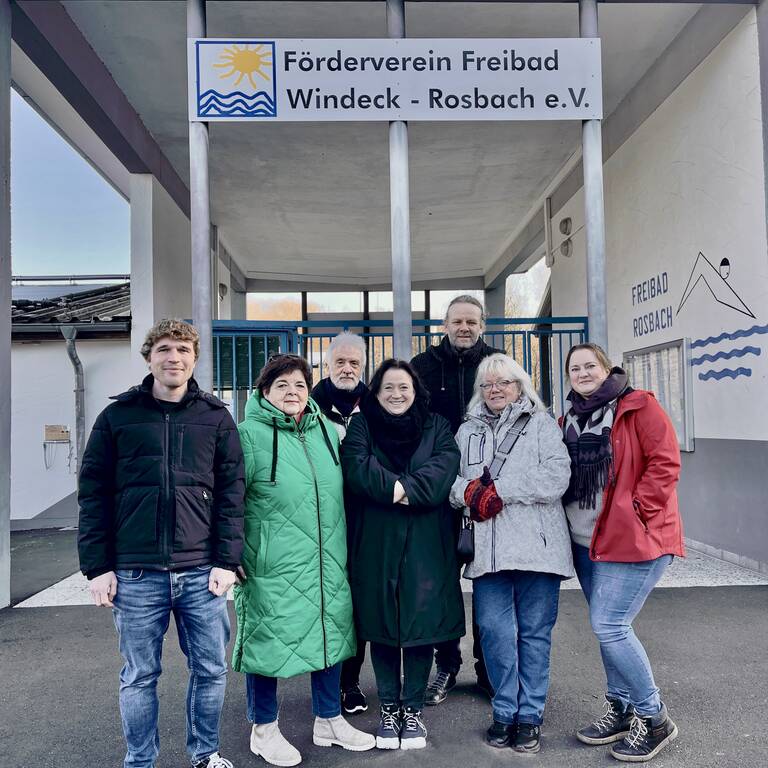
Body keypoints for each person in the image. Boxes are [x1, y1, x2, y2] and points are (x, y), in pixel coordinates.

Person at [78, 319, 245, 768]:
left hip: (201, 572)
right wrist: (97, 567)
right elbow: (93, 494)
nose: (175, 357)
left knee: (210, 671)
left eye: (184, 350)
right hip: (135, 574)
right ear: (149, 357)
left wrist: (227, 561)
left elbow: (233, 494)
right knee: (139, 676)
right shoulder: (117, 417)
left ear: (194, 359)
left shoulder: (215, 417)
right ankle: (140, 761)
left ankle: (205, 754)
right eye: (165, 349)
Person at [233, 353, 375, 767]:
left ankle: (328, 719)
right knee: (266, 642)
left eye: (299, 385)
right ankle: (264, 729)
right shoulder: (246, 435)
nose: (292, 393)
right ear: (265, 392)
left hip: (327, 555)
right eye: (282, 386)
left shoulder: (326, 433)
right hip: (269, 561)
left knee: (330, 634)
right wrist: (231, 550)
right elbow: (227, 499)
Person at [562, 343, 683, 763]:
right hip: (587, 542)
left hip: (633, 539)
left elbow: (665, 463)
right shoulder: (570, 419)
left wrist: (638, 510)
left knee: (610, 625)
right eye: (574, 368)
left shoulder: (637, 407)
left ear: (606, 367)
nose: (582, 373)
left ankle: (654, 717)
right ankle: (621, 707)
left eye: (589, 365)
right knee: (605, 630)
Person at [450, 353, 572, 754]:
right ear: (479, 391)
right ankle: (504, 709)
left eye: (504, 382)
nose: (496, 390)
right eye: (488, 384)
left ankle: (529, 716)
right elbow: (451, 481)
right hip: (489, 553)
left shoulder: (541, 425)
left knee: (534, 635)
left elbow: (556, 477)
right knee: (495, 632)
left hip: (538, 549)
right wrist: (466, 493)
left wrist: (499, 491)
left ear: (520, 386)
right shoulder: (467, 431)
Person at [341, 359, 464, 750]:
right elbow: (356, 468)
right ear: (376, 393)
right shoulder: (361, 426)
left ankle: (413, 711)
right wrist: (401, 491)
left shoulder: (437, 426)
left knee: (419, 625)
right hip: (375, 539)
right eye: (388, 388)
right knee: (381, 624)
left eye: (404, 388)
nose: (396, 395)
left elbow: (444, 469)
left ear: (416, 391)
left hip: (427, 540)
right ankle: (389, 708)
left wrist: (399, 489)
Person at [411, 294, 501, 704]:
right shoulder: (423, 368)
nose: (464, 328)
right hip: (439, 495)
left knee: (489, 583)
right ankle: (446, 665)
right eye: (456, 321)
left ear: (482, 326)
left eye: (472, 321)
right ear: (444, 325)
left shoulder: (498, 365)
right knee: (441, 586)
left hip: (489, 496)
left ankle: (488, 669)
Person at [310, 331, 370, 715]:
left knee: (358, 607)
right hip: (320, 525)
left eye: (354, 363)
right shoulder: (308, 407)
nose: (347, 369)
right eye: (340, 363)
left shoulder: (377, 405)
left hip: (365, 523)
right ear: (327, 365)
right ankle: (324, 686)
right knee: (323, 607)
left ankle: (350, 684)